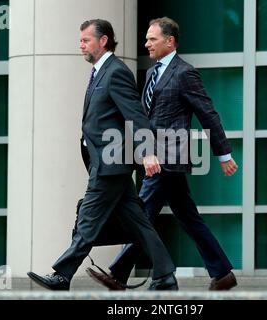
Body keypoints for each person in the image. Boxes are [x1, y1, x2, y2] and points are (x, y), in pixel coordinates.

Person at [86, 17, 238, 291]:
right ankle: (222, 273)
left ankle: (121, 273)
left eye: (152, 39)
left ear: (170, 41)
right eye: (146, 39)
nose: (146, 44)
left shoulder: (184, 73)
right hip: (157, 156)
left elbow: (208, 113)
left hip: (169, 157)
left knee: (140, 213)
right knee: (186, 216)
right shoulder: (153, 73)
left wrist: (223, 154)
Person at [27, 19, 178, 291]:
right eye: (81, 40)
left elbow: (135, 114)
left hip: (112, 162)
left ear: (103, 40)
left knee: (88, 219)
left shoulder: (115, 71)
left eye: (86, 40)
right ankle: (165, 275)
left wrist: (147, 152)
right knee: (138, 223)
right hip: (105, 162)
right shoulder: (100, 72)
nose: (81, 45)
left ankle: (62, 275)